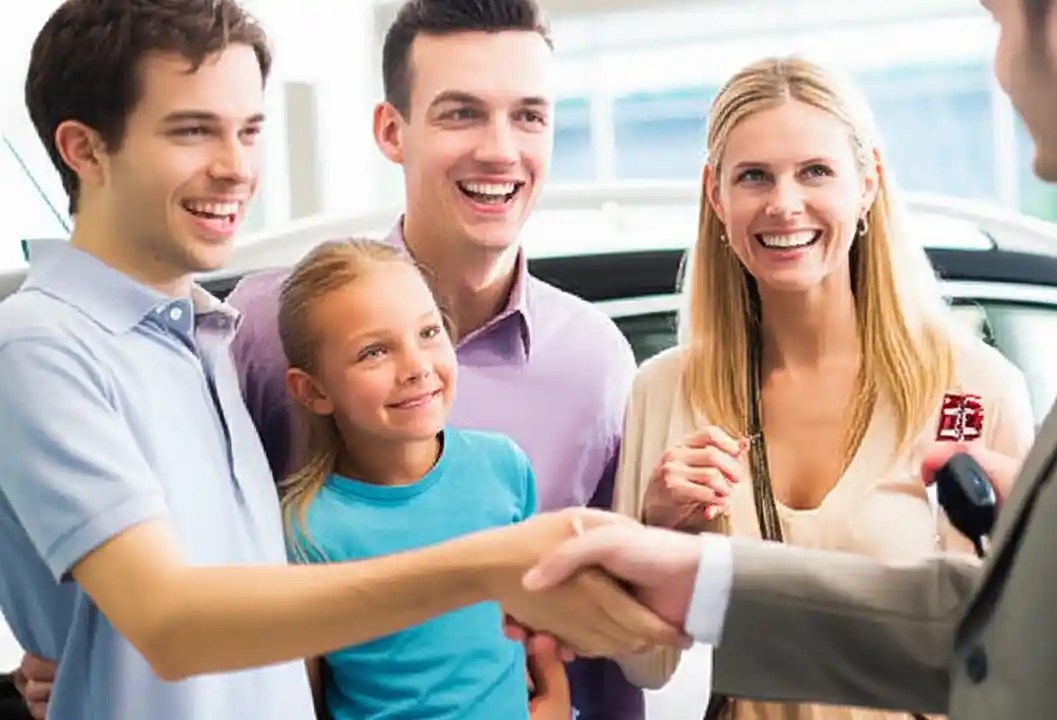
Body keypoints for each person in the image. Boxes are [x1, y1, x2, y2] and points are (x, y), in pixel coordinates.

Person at [521, 0, 1057, 717]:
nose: (1001, 67)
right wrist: (685, 560)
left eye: (999, 21)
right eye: (754, 175)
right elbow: (1015, 620)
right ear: (715, 195)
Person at [0, 2, 680, 719]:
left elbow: (220, 598)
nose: (236, 169)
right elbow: (171, 623)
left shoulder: (201, 337)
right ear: (83, 150)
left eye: (250, 131)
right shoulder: (125, 340)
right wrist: (484, 564)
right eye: (193, 130)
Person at [224, 1, 645, 717]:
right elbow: (200, 566)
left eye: (530, 116)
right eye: (461, 114)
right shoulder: (268, 329)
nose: (500, 150)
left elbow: (604, 642)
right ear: (393, 131)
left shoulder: (596, 362)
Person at [607, 56, 1034, 720]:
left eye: (815, 172)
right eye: (754, 176)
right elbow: (644, 665)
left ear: (868, 183)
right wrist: (657, 532)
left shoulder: (976, 389)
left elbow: (1019, 651)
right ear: (716, 196)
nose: (784, 203)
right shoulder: (665, 391)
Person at [275, 238, 570, 720]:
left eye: (428, 332)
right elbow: (303, 700)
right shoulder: (306, 530)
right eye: (374, 352)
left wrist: (556, 696)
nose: (415, 367)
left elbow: (535, 606)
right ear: (311, 390)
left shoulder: (502, 468)